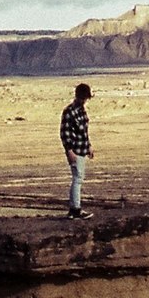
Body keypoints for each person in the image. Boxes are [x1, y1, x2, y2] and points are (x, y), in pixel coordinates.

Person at [60, 83, 93, 219]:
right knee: (77, 179)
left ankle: (75, 208)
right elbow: (65, 133)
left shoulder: (81, 110)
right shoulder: (69, 111)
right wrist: (69, 151)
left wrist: (89, 146)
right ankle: (75, 209)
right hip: (75, 150)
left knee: (79, 178)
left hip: (82, 148)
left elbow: (84, 131)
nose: (85, 101)